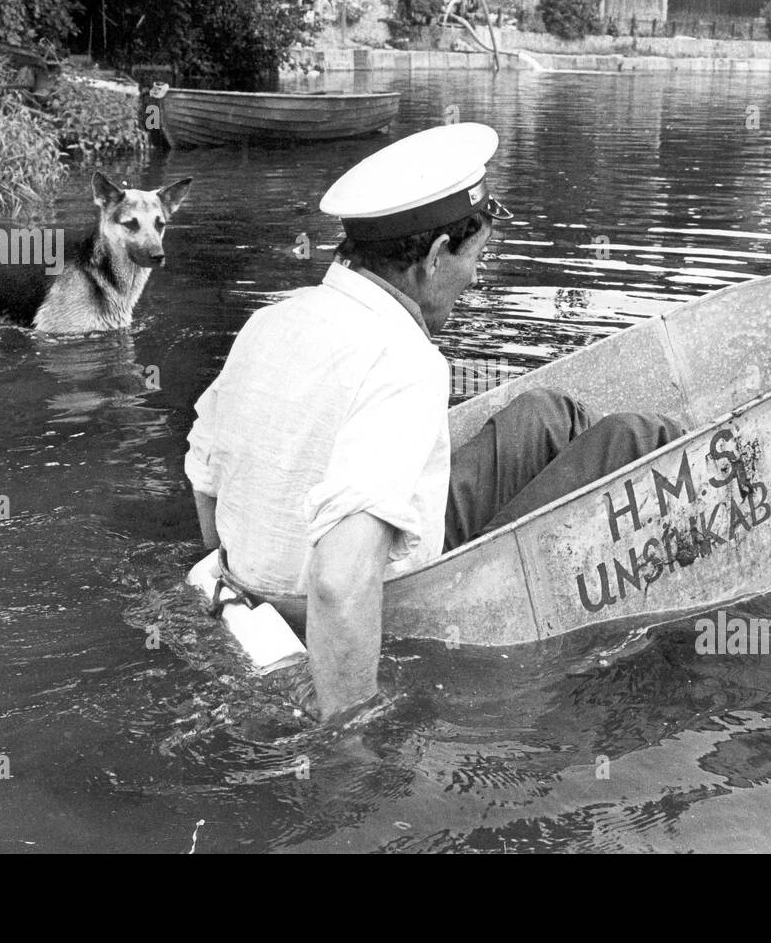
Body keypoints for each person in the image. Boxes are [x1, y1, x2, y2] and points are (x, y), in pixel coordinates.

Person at [184, 124, 682, 720]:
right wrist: (351, 737)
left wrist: (250, 589)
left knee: (551, 415)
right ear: (436, 255)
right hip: (384, 599)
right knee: (641, 439)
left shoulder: (273, 320)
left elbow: (205, 482)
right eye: (474, 259)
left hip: (261, 584)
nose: (475, 281)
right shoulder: (404, 359)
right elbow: (342, 583)